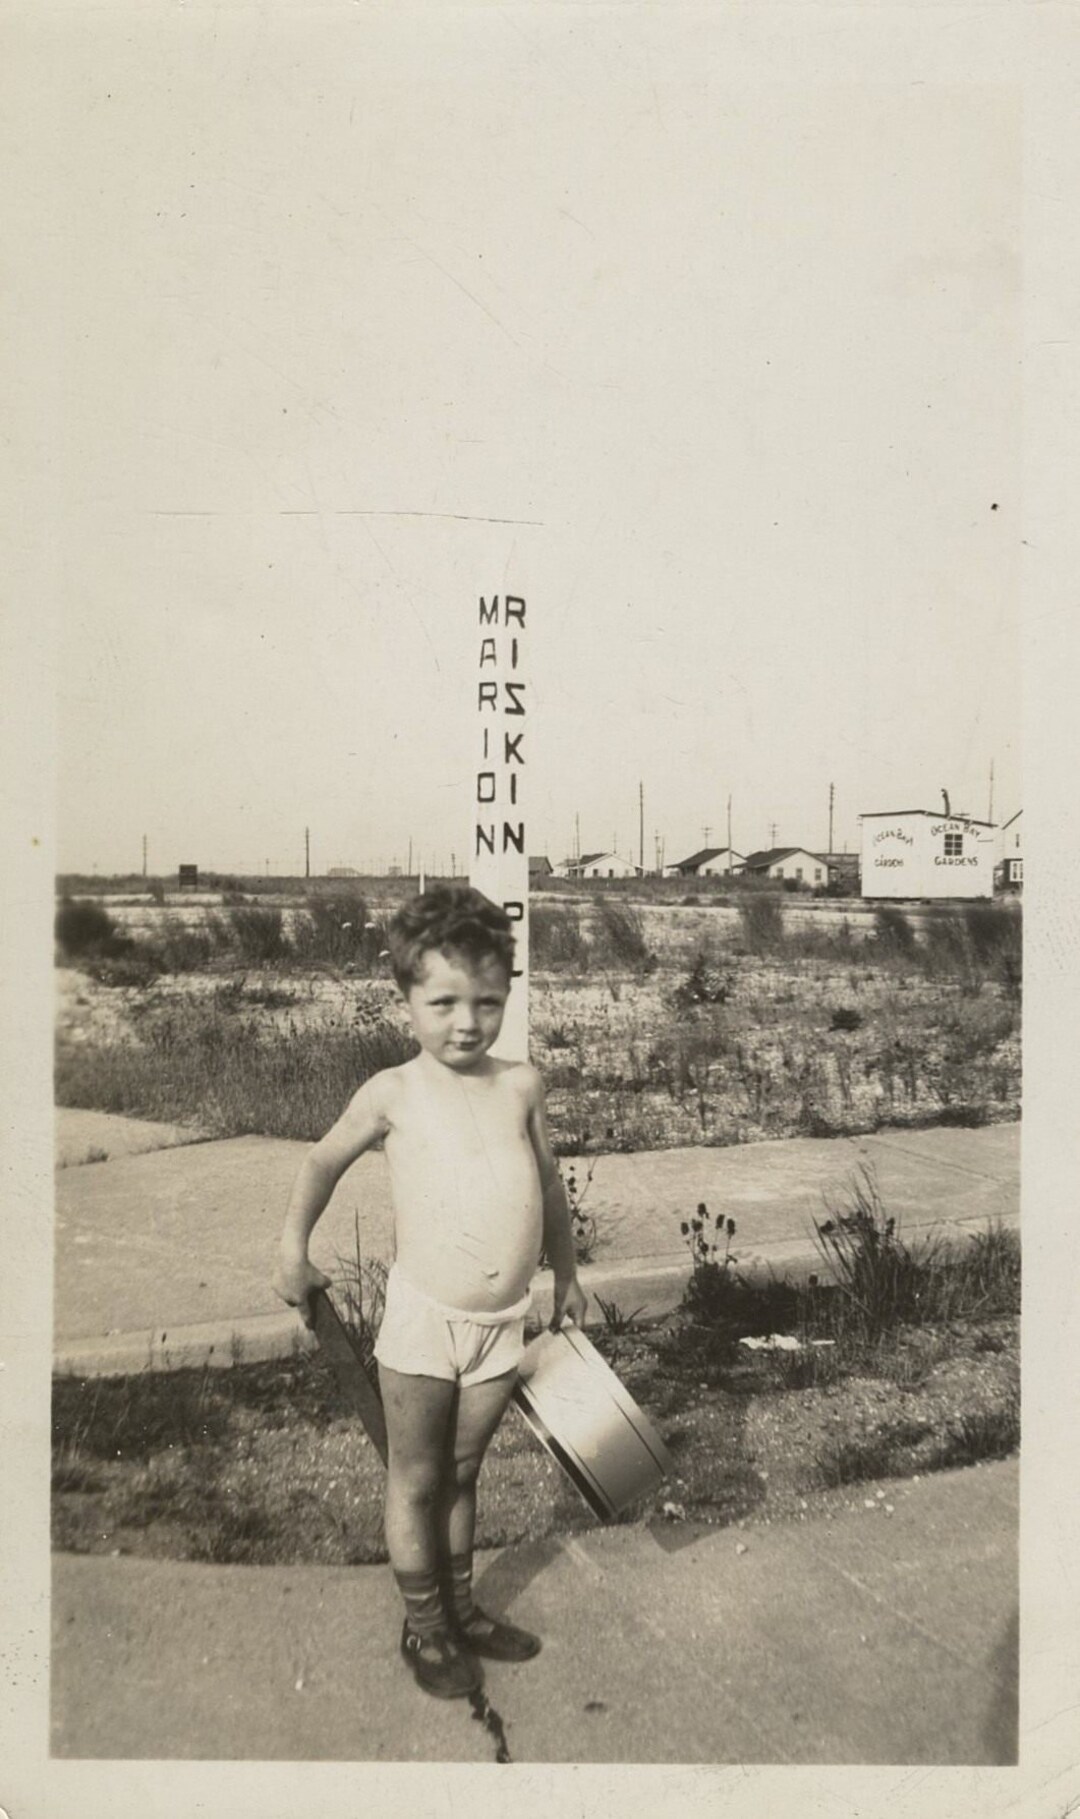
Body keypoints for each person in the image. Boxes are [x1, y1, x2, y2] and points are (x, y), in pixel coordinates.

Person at [273, 884, 588, 1699]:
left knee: (465, 1468)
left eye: (487, 1001)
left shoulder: (521, 1084)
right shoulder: (392, 1092)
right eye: (443, 1000)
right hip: (425, 1322)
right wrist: (291, 1248)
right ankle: (424, 1625)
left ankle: (460, 1606)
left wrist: (568, 1273)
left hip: (499, 1324)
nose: (466, 1022)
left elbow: (550, 1188)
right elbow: (319, 1163)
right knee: (415, 1478)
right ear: (407, 994)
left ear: (508, 995)